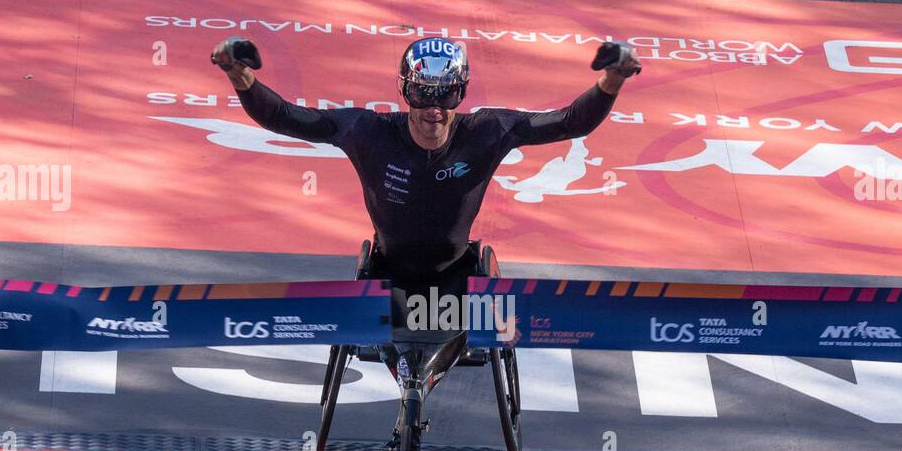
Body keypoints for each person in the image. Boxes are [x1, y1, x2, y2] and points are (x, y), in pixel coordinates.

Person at [210, 34, 641, 305]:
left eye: (448, 96)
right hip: (386, 276)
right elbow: (284, 116)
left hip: (457, 280)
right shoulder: (366, 130)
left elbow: (570, 122)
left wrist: (612, 80)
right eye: (421, 95)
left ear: (462, 93)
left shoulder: (488, 130)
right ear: (404, 91)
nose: (434, 110)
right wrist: (238, 72)